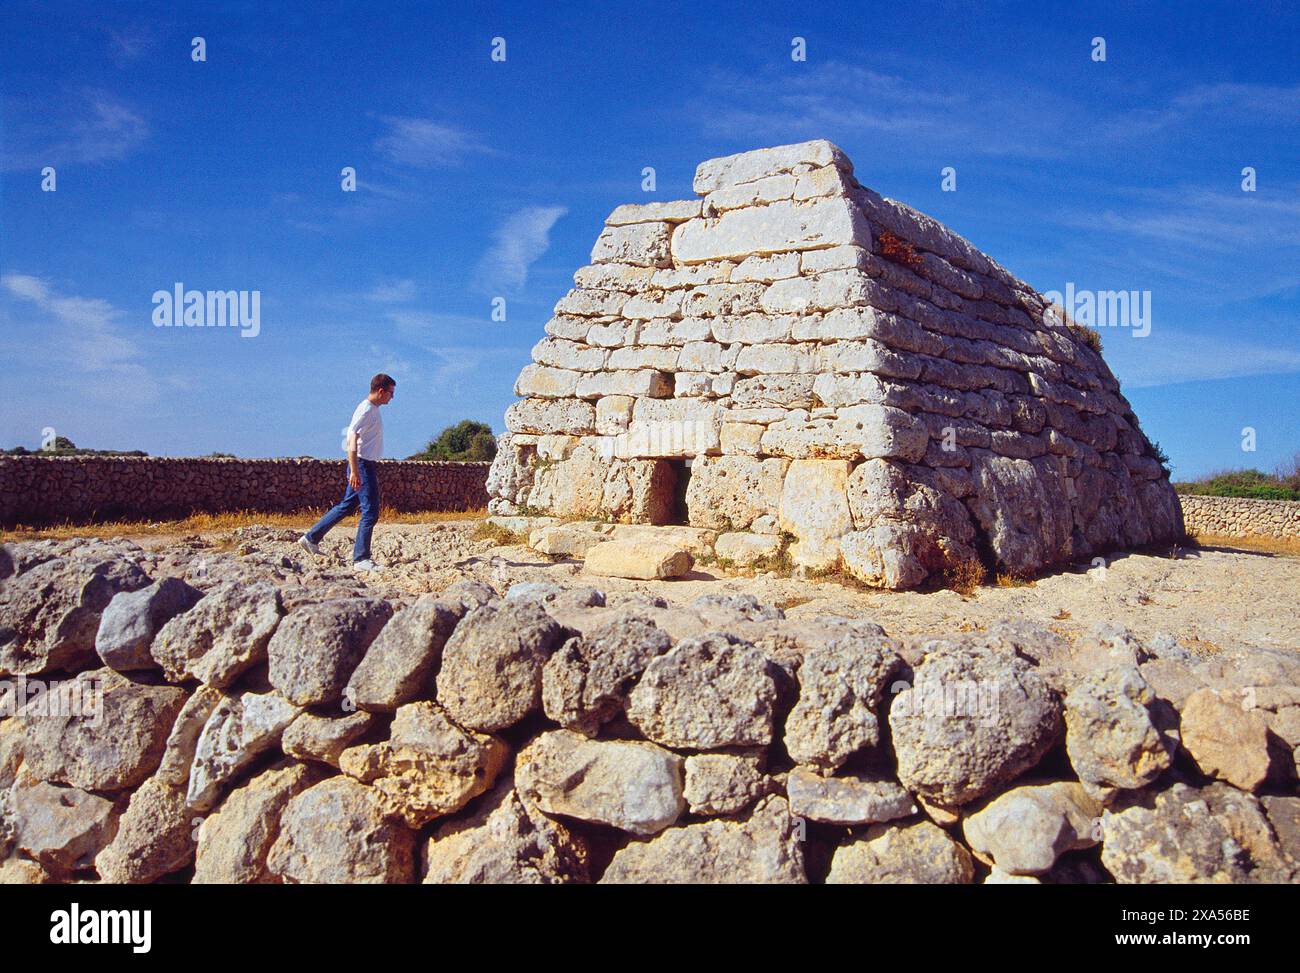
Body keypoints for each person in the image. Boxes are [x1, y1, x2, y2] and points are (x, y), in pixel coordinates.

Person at [298, 373, 396, 571]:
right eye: (391, 393)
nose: (392, 397)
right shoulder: (366, 410)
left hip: (363, 464)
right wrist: (354, 470)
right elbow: (351, 438)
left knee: (347, 505)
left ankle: (311, 538)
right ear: (381, 391)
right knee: (371, 512)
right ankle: (361, 559)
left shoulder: (372, 409)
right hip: (361, 464)